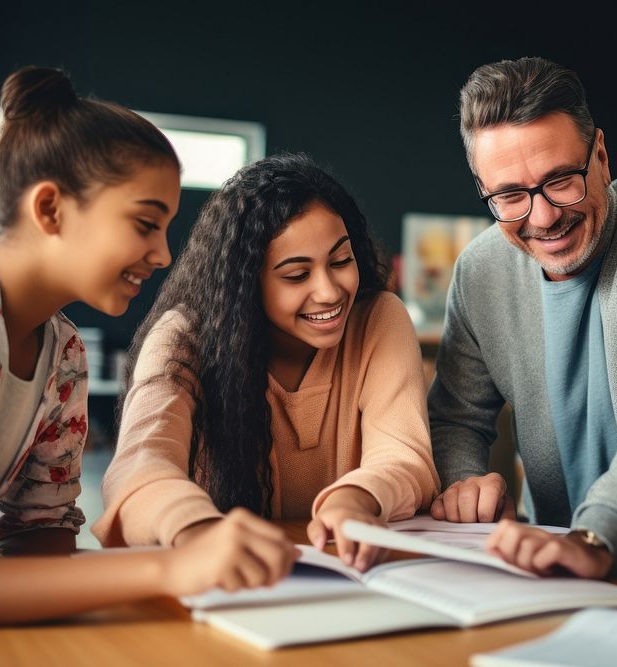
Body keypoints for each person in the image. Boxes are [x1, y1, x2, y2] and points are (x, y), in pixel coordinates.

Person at [0, 66, 297, 624]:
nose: (163, 255)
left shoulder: (64, 355)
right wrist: (168, 568)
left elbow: (40, 535)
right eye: (144, 223)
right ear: (50, 209)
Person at [428, 57, 617, 577]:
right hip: (549, 564)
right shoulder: (479, 269)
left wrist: (594, 537)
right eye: (510, 195)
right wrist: (465, 488)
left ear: (600, 155)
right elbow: (456, 417)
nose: (543, 217)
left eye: (560, 180)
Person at [93, 153, 440, 572]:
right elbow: (140, 465)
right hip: (225, 576)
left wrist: (356, 499)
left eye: (340, 261)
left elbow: (404, 454)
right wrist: (196, 529)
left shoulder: (380, 319)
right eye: (296, 275)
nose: (329, 291)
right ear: (245, 283)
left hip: (349, 571)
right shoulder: (183, 339)